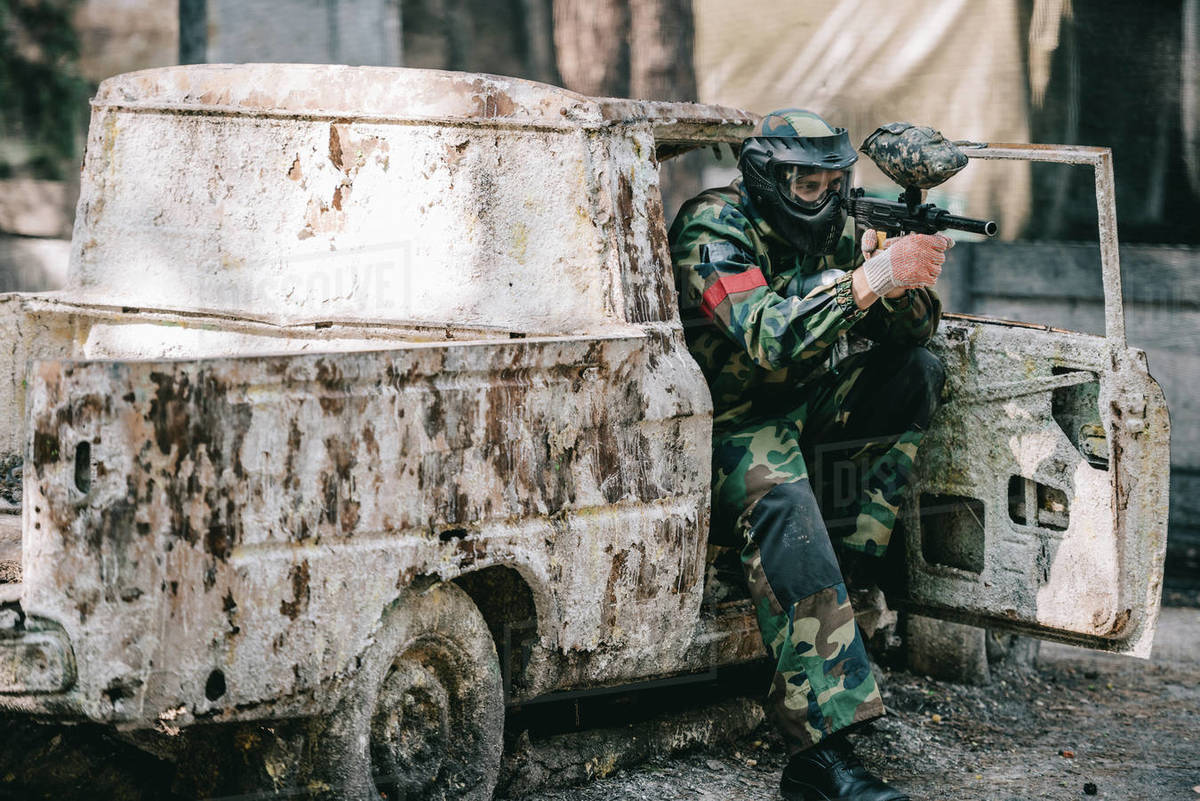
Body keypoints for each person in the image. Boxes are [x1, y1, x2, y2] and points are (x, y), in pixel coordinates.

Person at [668, 109, 951, 801]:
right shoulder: (713, 227)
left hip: (807, 404)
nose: (821, 195)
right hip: (730, 421)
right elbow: (768, 335)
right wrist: (869, 277)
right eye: (806, 184)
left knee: (917, 370)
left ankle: (844, 570)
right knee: (786, 502)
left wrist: (903, 270)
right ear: (770, 177)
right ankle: (820, 756)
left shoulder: (839, 223)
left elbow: (910, 332)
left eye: (833, 181)